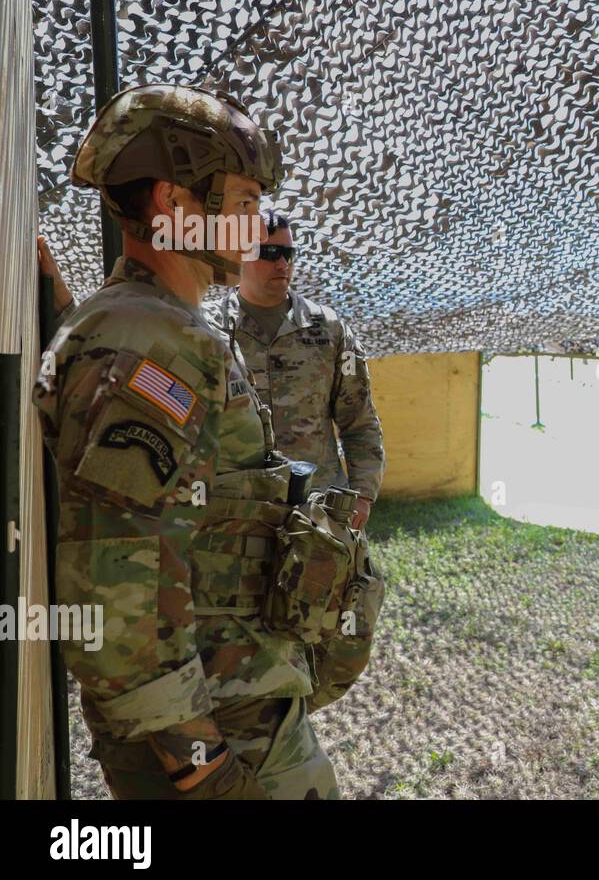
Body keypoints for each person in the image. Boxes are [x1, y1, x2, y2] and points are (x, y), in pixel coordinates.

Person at [33, 83, 343, 799]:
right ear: (174, 207)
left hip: (233, 711)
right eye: (241, 203)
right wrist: (204, 770)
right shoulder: (150, 342)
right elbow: (115, 570)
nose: (257, 225)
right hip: (219, 735)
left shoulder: (151, 328)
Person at [216, 212, 386, 710]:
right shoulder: (209, 329)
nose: (282, 263)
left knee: (335, 639)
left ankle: (297, 725)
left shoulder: (327, 330)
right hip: (240, 523)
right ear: (238, 255)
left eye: (288, 253)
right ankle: (263, 735)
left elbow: (359, 422)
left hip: (317, 522)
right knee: (246, 647)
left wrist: (364, 495)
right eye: (269, 253)